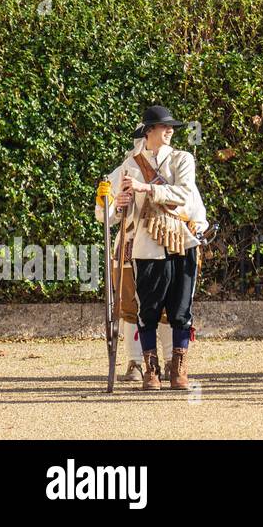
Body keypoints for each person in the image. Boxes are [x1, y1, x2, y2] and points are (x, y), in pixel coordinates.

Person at [100, 105, 208, 391]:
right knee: (147, 311)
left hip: (182, 243)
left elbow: (185, 194)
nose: (170, 131)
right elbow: (106, 211)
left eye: (172, 127)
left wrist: (147, 189)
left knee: (181, 311)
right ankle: (150, 369)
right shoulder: (129, 166)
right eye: (164, 127)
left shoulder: (182, 159)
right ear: (149, 131)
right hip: (146, 248)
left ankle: (179, 369)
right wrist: (117, 206)